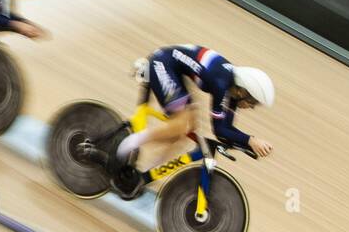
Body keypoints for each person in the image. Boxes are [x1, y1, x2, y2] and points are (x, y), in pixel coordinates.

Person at [109, 44, 274, 174]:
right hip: (163, 63)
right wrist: (250, 140)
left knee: (184, 133)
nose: (251, 107)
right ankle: (127, 144)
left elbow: (226, 129)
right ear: (243, 90)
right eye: (253, 101)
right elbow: (219, 129)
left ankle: (143, 175)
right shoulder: (221, 84)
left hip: (173, 68)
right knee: (181, 124)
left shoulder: (232, 89)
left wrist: (247, 144)